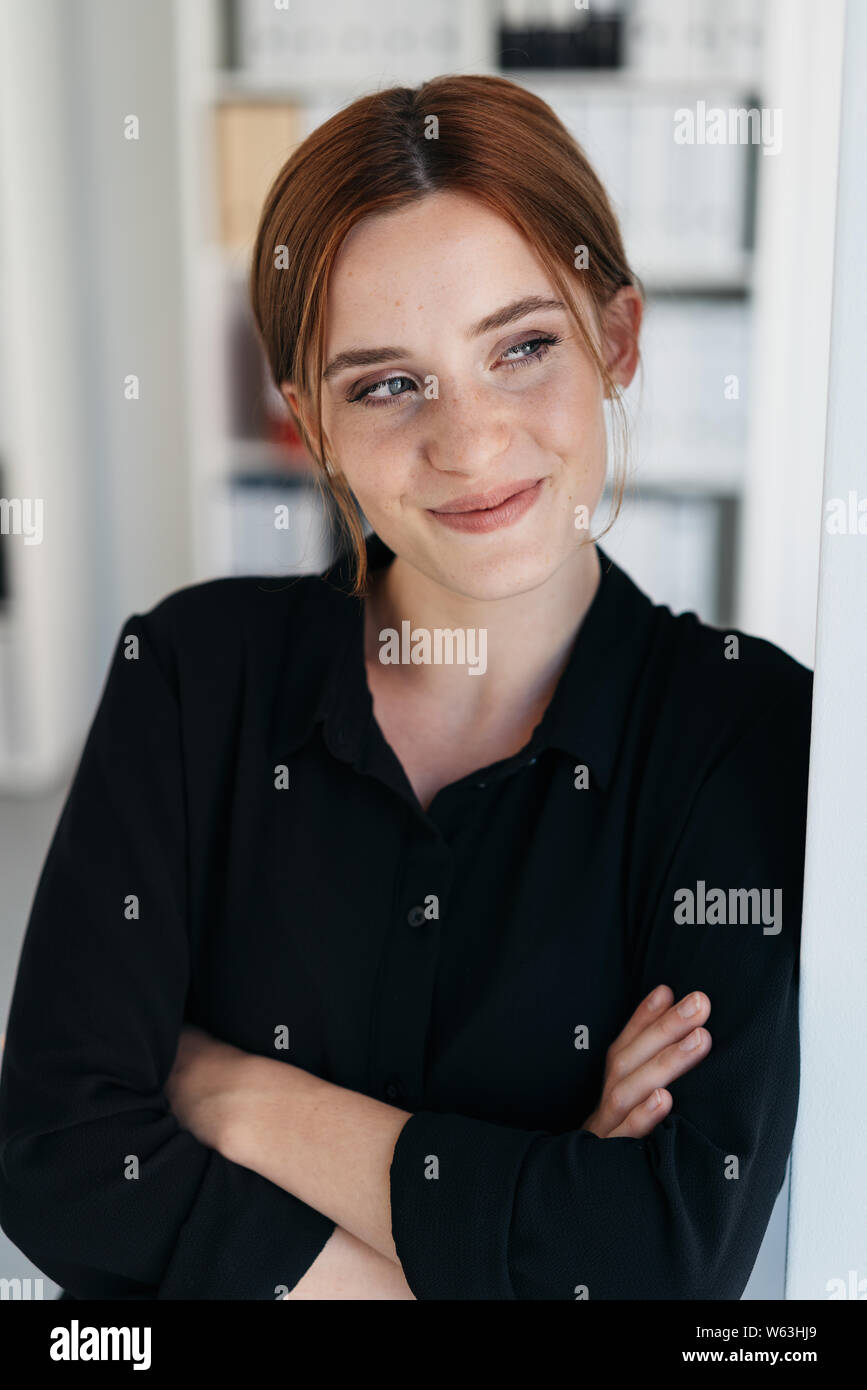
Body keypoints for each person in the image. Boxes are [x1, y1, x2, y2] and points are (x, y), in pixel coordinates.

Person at [0, 74, 812, 1300]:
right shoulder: (186, 675)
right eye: (386, 383)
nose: (470, 440)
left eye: (523, 347)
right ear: (308, 424)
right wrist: (512, 1224)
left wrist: (233, 1093)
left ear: (621, 340)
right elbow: (58, 1154)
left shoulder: (754, 731)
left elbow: (660, 1267)